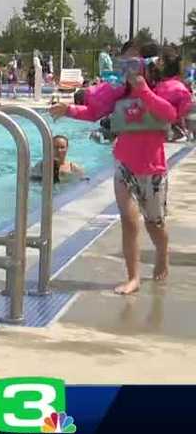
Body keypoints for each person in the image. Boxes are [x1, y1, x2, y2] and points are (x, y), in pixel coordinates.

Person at [48, 46, 184, 294]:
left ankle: (162, 253)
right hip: (124, 164)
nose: (129, 72)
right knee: (129, 221)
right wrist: (67, 109)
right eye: (126, 66)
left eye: (135, 66)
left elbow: (170, 113)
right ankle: (133, 277)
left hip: (153, 168)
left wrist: (144, 91)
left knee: (155, 224)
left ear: (145, 68)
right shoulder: (118, 97)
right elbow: (93, 113)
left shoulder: (156, 94)